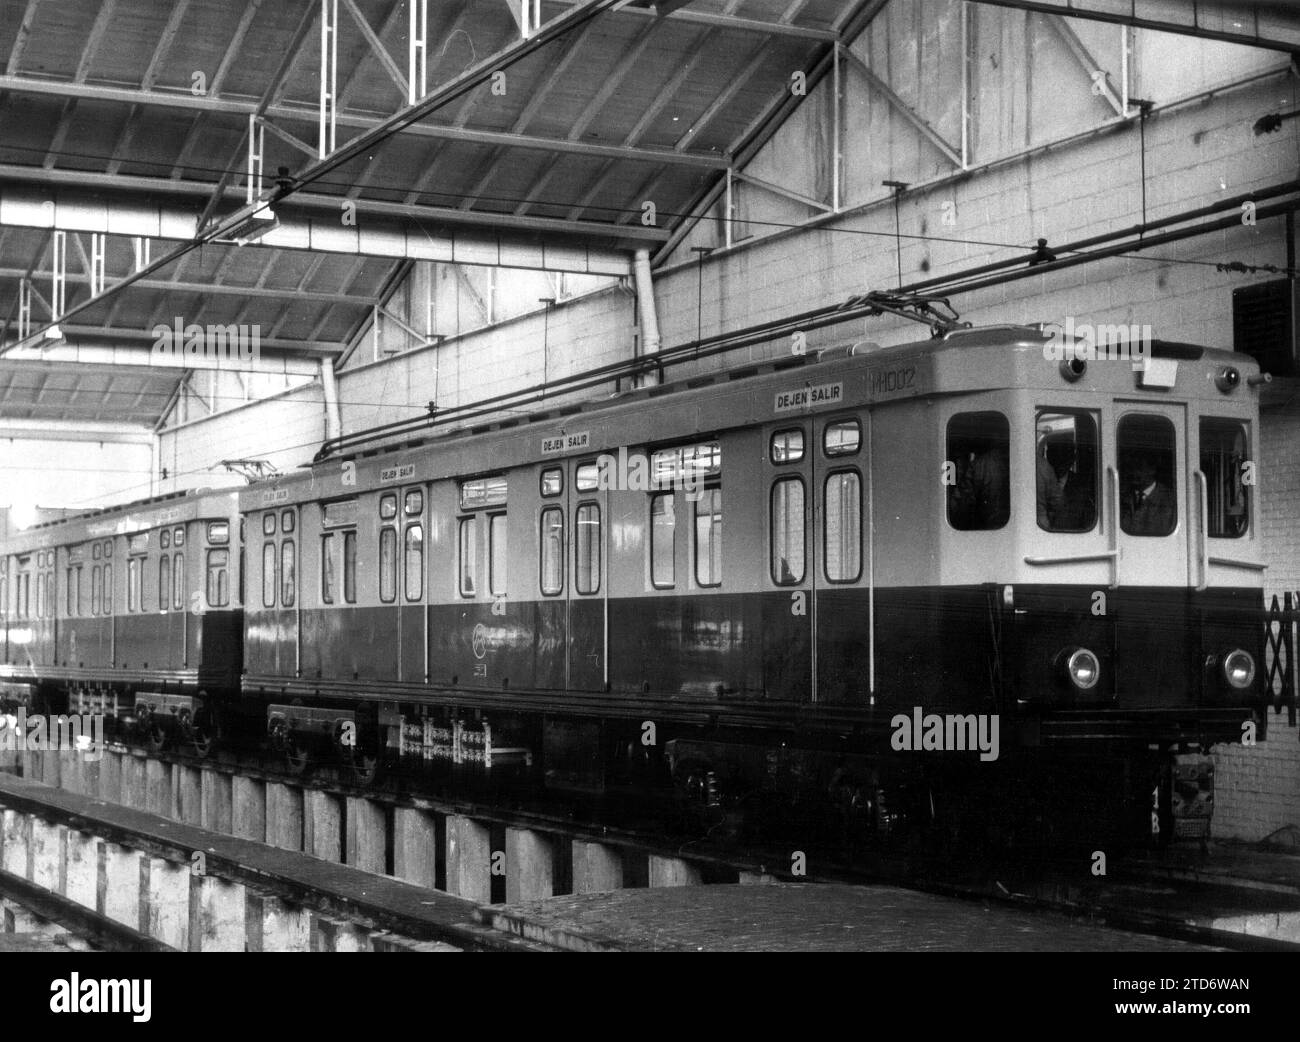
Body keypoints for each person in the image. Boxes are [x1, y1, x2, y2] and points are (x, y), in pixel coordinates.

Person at [1121, 450, 1176, 536]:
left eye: (1139, 468)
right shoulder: (1121, 497)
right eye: (1131, 468)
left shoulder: (1169, 501)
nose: (1133, 473)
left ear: (1152, 470)